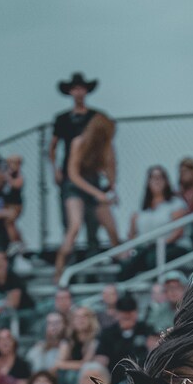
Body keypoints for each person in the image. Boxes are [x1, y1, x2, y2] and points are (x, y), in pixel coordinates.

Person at [55, 112, 122, 276]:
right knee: (75, 226)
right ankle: (59, 269)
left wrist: (111, 188)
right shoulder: (78, 142)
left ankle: (121, 263)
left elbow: (110, 171)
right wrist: (96, 193)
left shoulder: (105, 146)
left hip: (94, 186)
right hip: (75, 187)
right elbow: (72, 174)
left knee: (111, 227)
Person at [49, 71, 102, 243]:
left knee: (93, 217)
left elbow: (103, 144)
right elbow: (53, 145)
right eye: (75, 89)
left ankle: (92, 256)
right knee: (70, 220)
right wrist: (55, 169)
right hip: (69, 173)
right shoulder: (62, 119)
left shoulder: (95, 117)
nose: (78, 93)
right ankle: (69, 258)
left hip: (90, 172)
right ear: (70, 92)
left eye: (81, 89)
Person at [120, 165, 188, 278]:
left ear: (166, 181)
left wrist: (159, 244)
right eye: (153, 177)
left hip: (172, 246)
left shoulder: (176, 203)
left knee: (152, 259)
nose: (156, 181)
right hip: (147, 249)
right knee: (126, 264)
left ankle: (158, 291)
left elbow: (178, 232)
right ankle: (125, 294)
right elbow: (132, 235)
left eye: (160, 177)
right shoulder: (142, 210)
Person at [96, 293, 152, 384]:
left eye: (130, 312)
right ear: (117, 313)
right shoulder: (108, 333)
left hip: (142, 378)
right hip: (115, 378)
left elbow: (153, 350)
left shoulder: (146, 330)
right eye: (124, 313)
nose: (127, 316)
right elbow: (101, 358)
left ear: (136, 313)